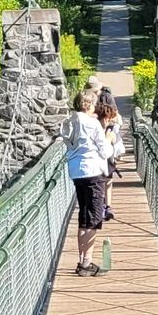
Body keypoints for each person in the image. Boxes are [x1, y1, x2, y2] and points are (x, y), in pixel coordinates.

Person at [64, 86, 111, 274]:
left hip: (77, 173)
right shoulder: (92, 124)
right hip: (93, 172)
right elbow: (105, 151)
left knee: (84, 216)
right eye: (94, 104)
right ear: (88, 104)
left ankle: (82, 260)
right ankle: (86, 264)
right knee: (93, 218)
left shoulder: (69, 122)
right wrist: (108, 138)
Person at [94, 87, 123, 220]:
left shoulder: (99, 100)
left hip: (103, 147)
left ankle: (105, 206)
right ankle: (105, 206)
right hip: (103, 147)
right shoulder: (94, 118)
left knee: (105, 177)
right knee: (105, 177)